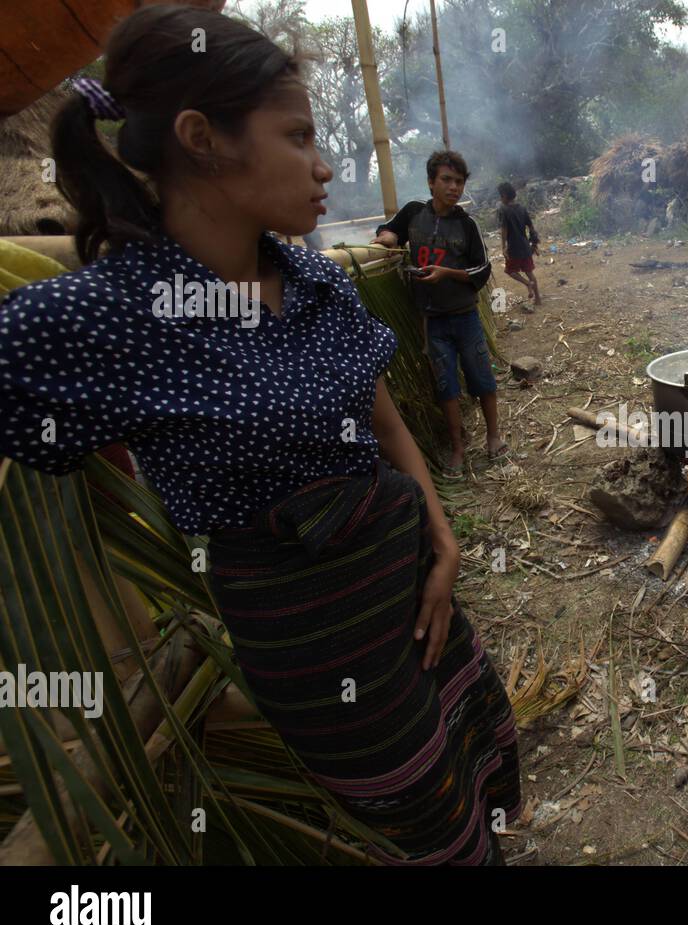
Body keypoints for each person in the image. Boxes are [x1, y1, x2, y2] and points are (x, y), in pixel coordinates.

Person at [0, 6, 520, 864]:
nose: (323, 167)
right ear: (203, 138)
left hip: (412, 584)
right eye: (299, 136)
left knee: (472, 740)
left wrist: (442, 534)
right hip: (316, 643)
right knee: (419, 812)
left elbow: (381, 412)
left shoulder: (313, 278)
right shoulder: (106, 316)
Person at [375, 151, 506, 477]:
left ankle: (494, 437)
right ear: (431, 182)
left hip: (464, 316)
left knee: (482, 378)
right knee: (445, 385)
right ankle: (459, 446)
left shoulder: (467, 225)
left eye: (459, 182)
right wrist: (387, 239)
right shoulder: (413, 214)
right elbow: (390, 230)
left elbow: (482, 268)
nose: (453, 187)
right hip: (431, 319)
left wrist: (446, 273)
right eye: (446, 180)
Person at [496, 181, 541, 306]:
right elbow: (531, 227)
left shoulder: (503, 210)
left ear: (504, 195)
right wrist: (534, 243)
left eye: (500, 195)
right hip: (525, 246)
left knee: (510, 271)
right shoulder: (522, 208)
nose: (500, 198)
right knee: (529, 272)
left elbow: (504, 230)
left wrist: (503, 247)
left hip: (514, 247)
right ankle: (538, 298)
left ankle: (527, 284)